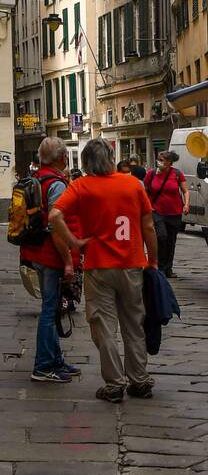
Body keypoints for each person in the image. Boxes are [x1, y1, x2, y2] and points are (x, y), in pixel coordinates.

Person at [49, 138, 158, 403]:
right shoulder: (133, 184)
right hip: (132, 264)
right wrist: (152, 261)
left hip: (98, 267)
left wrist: (74, 242)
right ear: (111, 158)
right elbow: (149, 227)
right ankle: (140, 380)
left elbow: (54, 216)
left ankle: (114, 384)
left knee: (104, 327)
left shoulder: (81, 186)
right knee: (134, 324)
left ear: (86, 162)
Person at [23, 137, 82, 385]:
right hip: (51, 255)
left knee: (54, 307)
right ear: (61, 158)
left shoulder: (37, 179)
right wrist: (68, 261)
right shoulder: (56, 184)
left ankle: (54, 359)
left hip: (36, 251)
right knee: (50, 309)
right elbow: (56, 226)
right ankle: (44, 365)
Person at [143, 150, 189, 278]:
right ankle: (159, 265)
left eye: (162, 160)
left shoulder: (177, 174)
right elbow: (144, 191)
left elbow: (185, 190)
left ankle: (168, 268)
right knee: (161, 236)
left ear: (169, 162)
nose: (159, 162)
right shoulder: (151, 174)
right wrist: (147, 206)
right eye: (159, 159)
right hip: (156, 211)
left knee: (171, 240)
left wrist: (186, 204)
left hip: (174, 212)